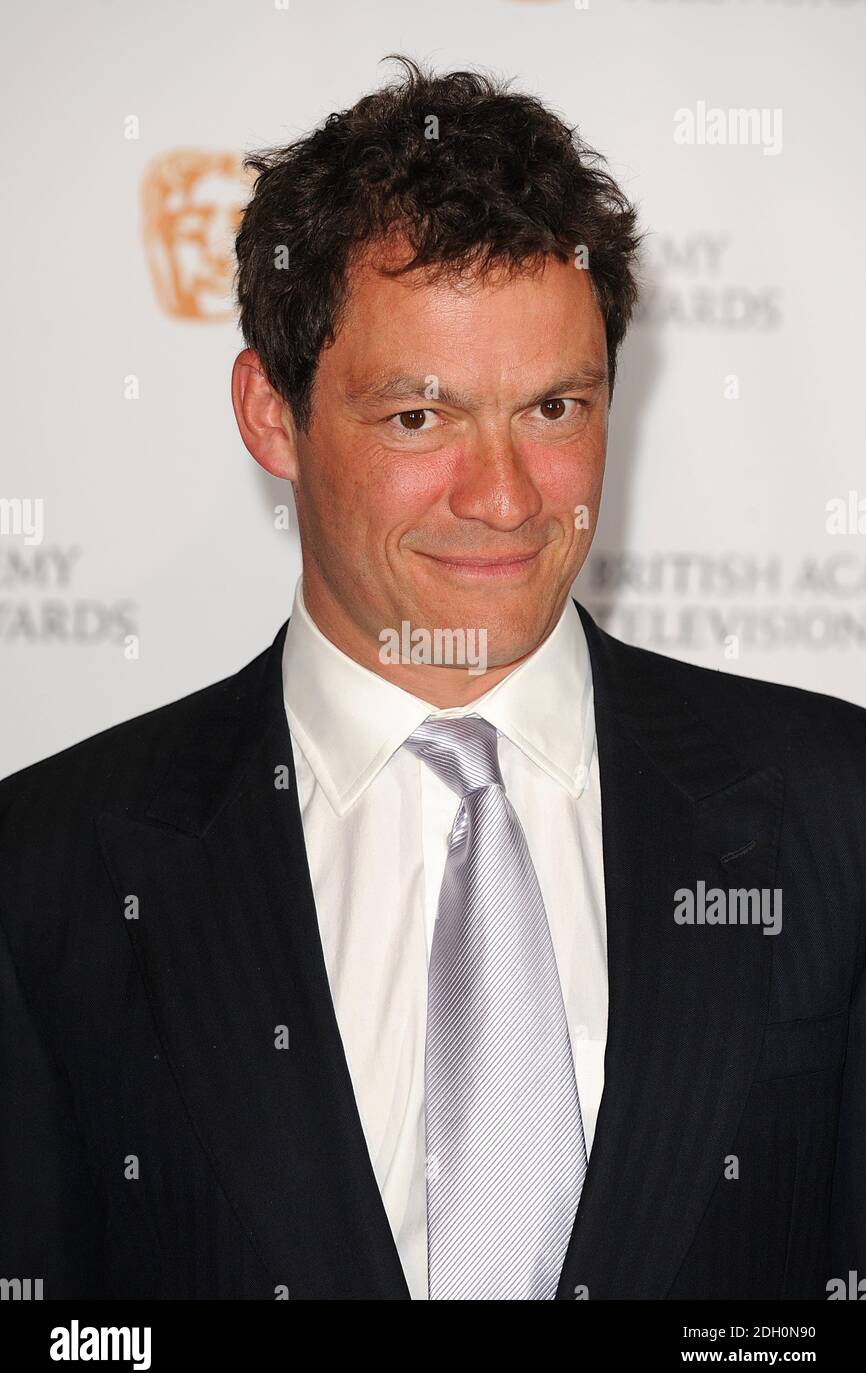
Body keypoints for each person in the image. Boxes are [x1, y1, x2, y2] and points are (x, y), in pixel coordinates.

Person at [1, 55, 864, 1302]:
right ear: (271, 414)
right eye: (419, 417)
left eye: (554, 408)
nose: (504, 498)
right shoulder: (47, 875)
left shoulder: (832, 816)